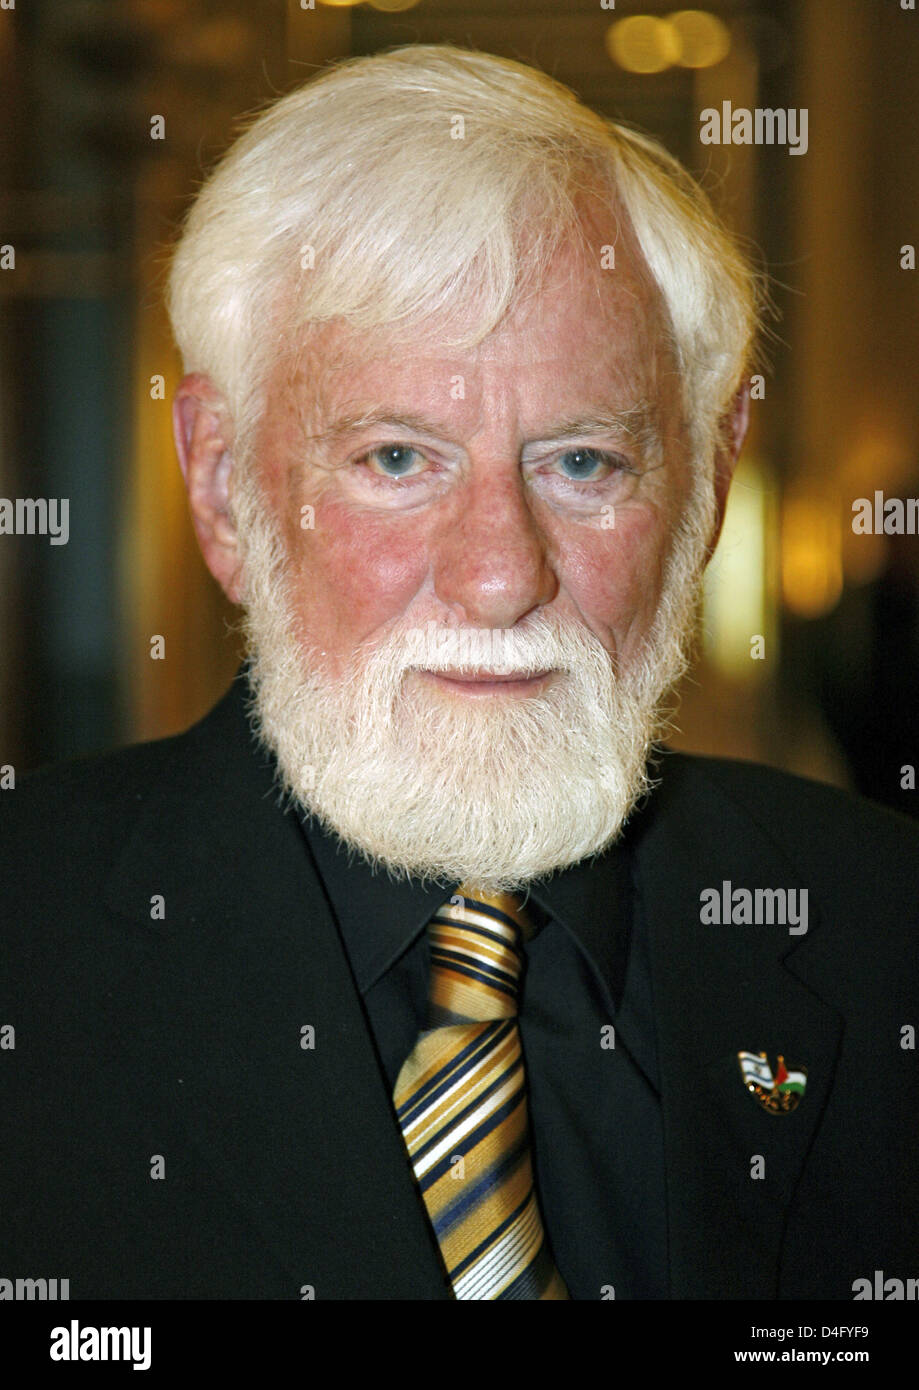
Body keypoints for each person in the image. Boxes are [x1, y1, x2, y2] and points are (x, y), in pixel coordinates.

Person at [3, 44, 917, 1302]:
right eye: (395, 458)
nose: (500, 576)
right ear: (222, 486)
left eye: (583, 463)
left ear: (706, 484)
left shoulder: (883, 929)